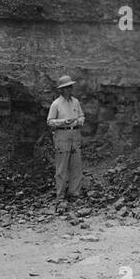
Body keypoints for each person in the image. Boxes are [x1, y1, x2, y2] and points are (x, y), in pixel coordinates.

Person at [47, 75, 85, 204]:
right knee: (62, 166)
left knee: (76, 165)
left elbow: (81, 116)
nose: (70, 89)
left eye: (70, 87)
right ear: (61, 90)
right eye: (67, 87)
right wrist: (63, 122)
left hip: (75, 133)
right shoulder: (56, 104)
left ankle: (74, 193)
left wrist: (79, 121)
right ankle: (61, 195)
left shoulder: (75, 102)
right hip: (62, 135)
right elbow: (50, 121)